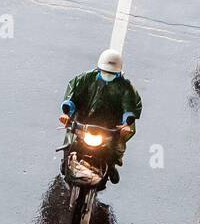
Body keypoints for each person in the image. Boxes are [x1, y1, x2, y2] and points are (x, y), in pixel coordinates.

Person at [61, 50, 143, 185]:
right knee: (71, 139)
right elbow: (71, 95)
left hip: (110, 126)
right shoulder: (85, 79)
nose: (107, 75)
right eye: (105, 71)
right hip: (84, 120)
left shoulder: (125, 88)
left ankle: (111, 165)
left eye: (111, 73)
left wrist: (127, 124)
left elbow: (129, 107)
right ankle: (65, 160)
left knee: (115, 147)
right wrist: (66, 112)